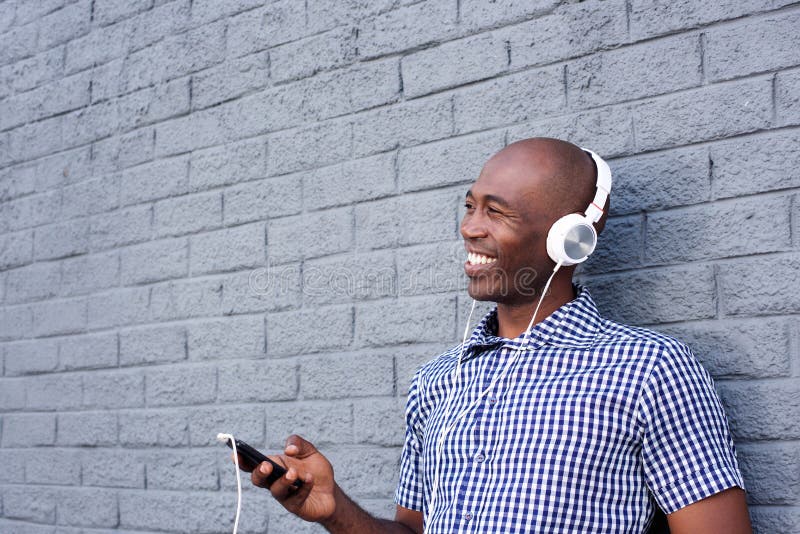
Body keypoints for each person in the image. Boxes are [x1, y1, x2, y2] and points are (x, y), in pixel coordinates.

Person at [235, 138, 752, 533]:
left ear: (569, 239)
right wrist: (334, 510)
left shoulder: (651, 371)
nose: (469, 228)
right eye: (470, 206)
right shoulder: (438, 381)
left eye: (496, 211)